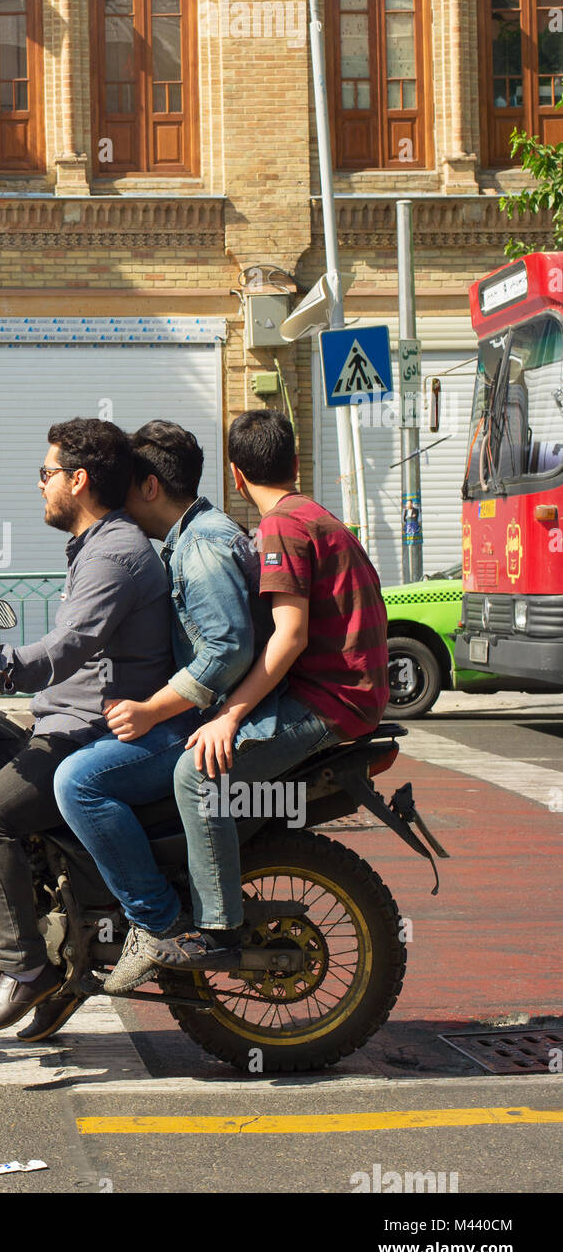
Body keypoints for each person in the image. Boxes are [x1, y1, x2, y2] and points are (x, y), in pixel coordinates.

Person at [111, 409, 389, 985]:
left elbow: (290, 636)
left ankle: (213, 931)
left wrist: (230, 715)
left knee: (196, 774)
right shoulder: (312, 515)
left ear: (236, 476)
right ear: (294, 462)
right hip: (340, 690)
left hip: (332, 700)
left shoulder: (283, 527)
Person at [0, 417, 173, 1038]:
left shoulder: (113, 553)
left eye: (47, 473)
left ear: (78, 480)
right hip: (71, 718)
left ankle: (25, 967)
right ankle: (65, 966)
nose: (40, 485)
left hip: (88, 731)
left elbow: (68, 646)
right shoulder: (98, 546)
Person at [53, 420, 268, 994]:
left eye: (123, 487)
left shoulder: (200, 548)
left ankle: (154, 921)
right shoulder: (187, 538)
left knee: (79, 783)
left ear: (149, 487)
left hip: (202, 720)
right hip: (195, 714)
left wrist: (150, 710)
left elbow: (227, 649)